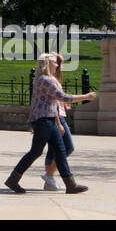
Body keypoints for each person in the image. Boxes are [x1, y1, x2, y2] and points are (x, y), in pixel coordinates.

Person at [5, 53, 96, 194]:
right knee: (36, 151)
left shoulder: (45, 79)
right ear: (47, 64)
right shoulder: (45, 80)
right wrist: (86, 96)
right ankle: (13, 179)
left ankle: (70, 184)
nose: (57, 65)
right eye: (55, 63)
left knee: (60, 151)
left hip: (50, 119)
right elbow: (63, 97)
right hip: (43, 121)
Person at [41, 52, 74, 191]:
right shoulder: (48, 79)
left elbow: (58, 96)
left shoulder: (53, 78)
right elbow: (52, 103)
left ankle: (49, 182)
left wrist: (59, 62)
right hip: (57, 117)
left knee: (53, 150)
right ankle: (48, 175)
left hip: (60, 115)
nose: (57, 65)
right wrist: (59, 124)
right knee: (68, 147)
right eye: (55, 62)